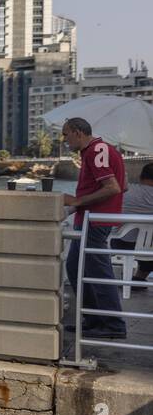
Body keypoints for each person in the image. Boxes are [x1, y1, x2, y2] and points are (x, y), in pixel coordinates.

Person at [61, 117, 127, 339]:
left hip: (95, 222)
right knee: (75, 268)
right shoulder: (103, 149)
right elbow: (123, 186)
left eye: (66, 134)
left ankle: (113, 325)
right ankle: (93, 319)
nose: (64, 139)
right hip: (93, 219)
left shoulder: (95, 150)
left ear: (78, 132)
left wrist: (78, 202)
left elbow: (113, 187)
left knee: (97, 272)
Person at [109, 162, 153, 281]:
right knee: (149, 243)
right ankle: (139, 277)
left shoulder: (126, 192)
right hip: (148, 249)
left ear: (141, 177)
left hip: (119, 243)